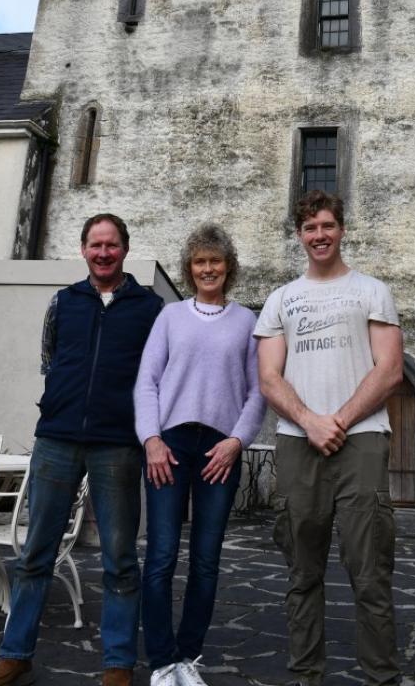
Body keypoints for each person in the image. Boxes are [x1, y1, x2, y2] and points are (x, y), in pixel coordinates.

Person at [0, 213, 163, 686]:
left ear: (125, 249)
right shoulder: (62, 302)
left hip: (117, 445)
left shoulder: (150, 308)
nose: (103, 253)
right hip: (56, 440)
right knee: (35, 552)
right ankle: (15, 655)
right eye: (95, 245)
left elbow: (156, 377)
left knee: (119, 558)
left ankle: (118, 664)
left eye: (112, 245)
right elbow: (49, 360)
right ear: (82, 250)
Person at [254, 190, 404, 686]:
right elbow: (269, 378)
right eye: (309, 228)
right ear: (299, 236)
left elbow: (390, 370)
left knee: (370, 573)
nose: (319, 235)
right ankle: (307, 677)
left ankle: (380, 677)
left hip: (361, 438)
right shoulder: (281, 299)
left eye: (327, 226)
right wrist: (310, 421)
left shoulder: (371, 291)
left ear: (341, 229)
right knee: (303, 573)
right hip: (299, 444)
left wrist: (336, 419)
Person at [134, 223, 266, 686]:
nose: (208, 268)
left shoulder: (248, 322)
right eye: (199, 262)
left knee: (206, 558)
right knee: (162, 556)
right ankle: (161, 661)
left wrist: (237, 441)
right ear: (189, 270)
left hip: (219, 450)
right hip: (168, 446)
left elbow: (258, 392)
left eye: (215, 260)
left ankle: (188, 657)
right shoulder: (170, 318)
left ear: (229, 267)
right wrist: (151, 439)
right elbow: (147, 382)